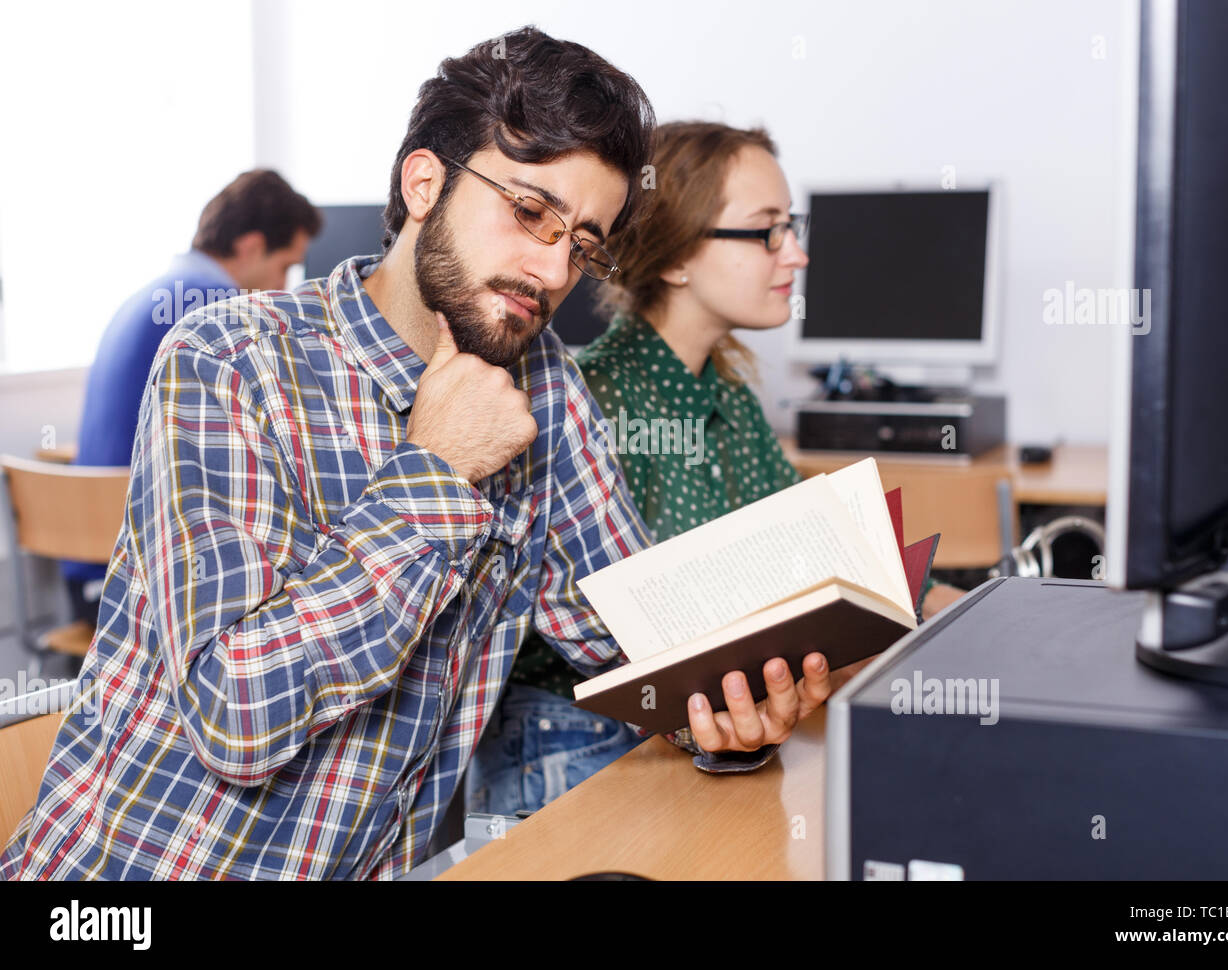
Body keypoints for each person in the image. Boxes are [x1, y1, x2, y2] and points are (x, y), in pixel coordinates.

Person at [1, 28, 849, 882]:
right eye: (529, 212)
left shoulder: (546, 389)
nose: (553, 271)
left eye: (582, 243)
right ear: (423, 183)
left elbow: (638, 645)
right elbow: (237, 716)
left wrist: (729, 703)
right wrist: (436, 474)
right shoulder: (231, 356)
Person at [474, 123, 965, 817]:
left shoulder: (726, 395)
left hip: (684, 733)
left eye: (791, 227)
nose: (795, 253)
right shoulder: (592, 400)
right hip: (572, 749)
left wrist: (945, 600)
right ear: (676, 257)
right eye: (766, 231)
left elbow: (817, 546)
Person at [62, 170, 320, 627]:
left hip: (87, 567)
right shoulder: (216, 308)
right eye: (285, 266)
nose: (285, 284)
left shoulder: (162, 291)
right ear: (250, 246)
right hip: (133, 585)